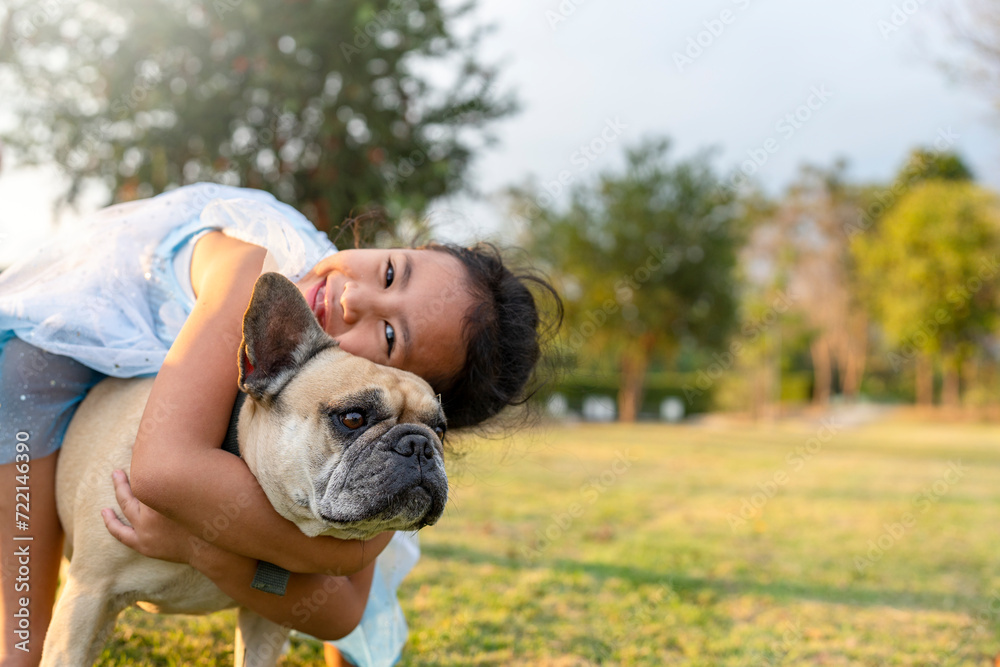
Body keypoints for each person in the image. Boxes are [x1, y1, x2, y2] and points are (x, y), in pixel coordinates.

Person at [0, 182, 560, 666]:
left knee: (339, 520)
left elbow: (339, 606)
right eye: (390, 271)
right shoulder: (256, 266)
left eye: (390, 338)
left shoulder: (380, 415)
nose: (353, 297)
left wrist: (206, 551)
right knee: (25, 382)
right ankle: (19, 641)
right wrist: (322, 557)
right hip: (85, 320)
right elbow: (160, 471)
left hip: (275, 398)